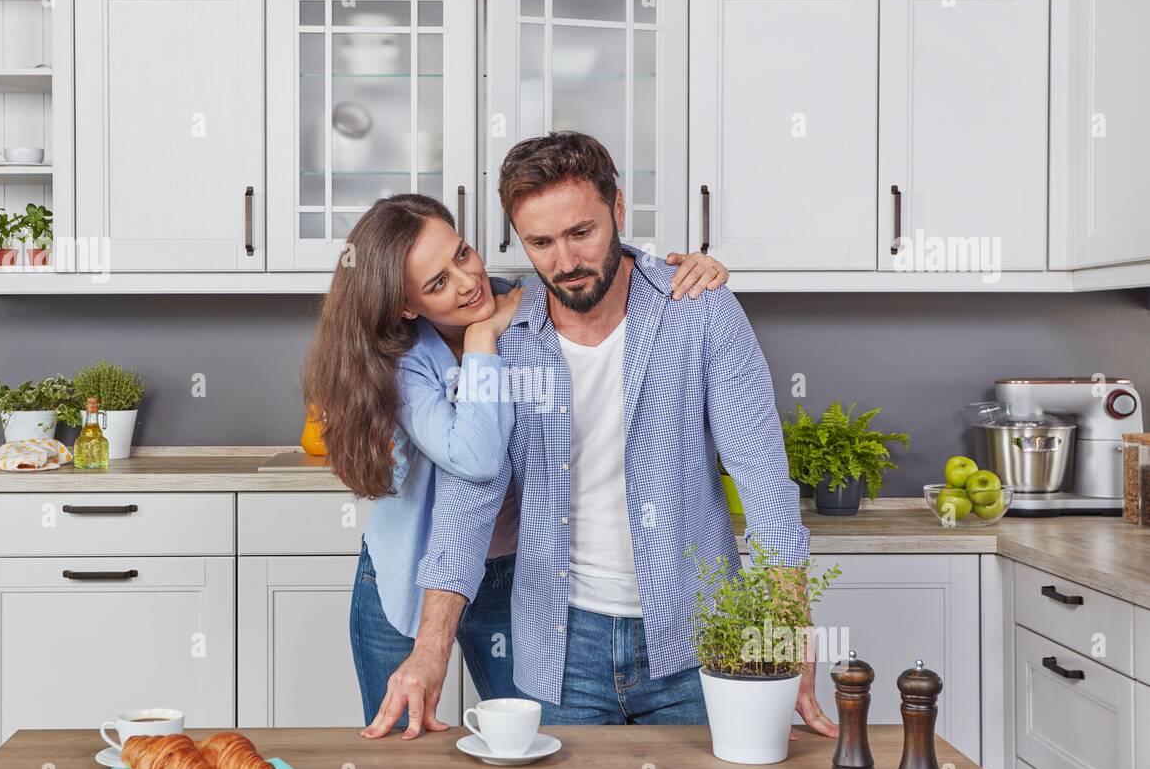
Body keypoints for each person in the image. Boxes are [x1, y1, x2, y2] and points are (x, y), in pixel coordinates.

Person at [362, 133, 839, 737]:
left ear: (618, 209)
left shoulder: (700, 309)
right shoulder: (505, 339)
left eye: (581, 232)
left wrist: (786, 622)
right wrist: (431, 650)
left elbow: (763, 476)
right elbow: (468, 500)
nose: (565, 262)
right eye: (540, 242)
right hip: (561, 651)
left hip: (699, 640)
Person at [303, 193, 732, 736]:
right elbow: (477, 459)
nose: (465, 282)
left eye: (461, 254)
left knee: (523, 742)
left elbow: (599, 268)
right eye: (436, 283)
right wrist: (483, 340)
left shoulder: (528, 308)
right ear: (406, 307)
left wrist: (691, 267)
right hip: (407, 571)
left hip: (514, 571)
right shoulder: (404, 361)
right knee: (400, 737)